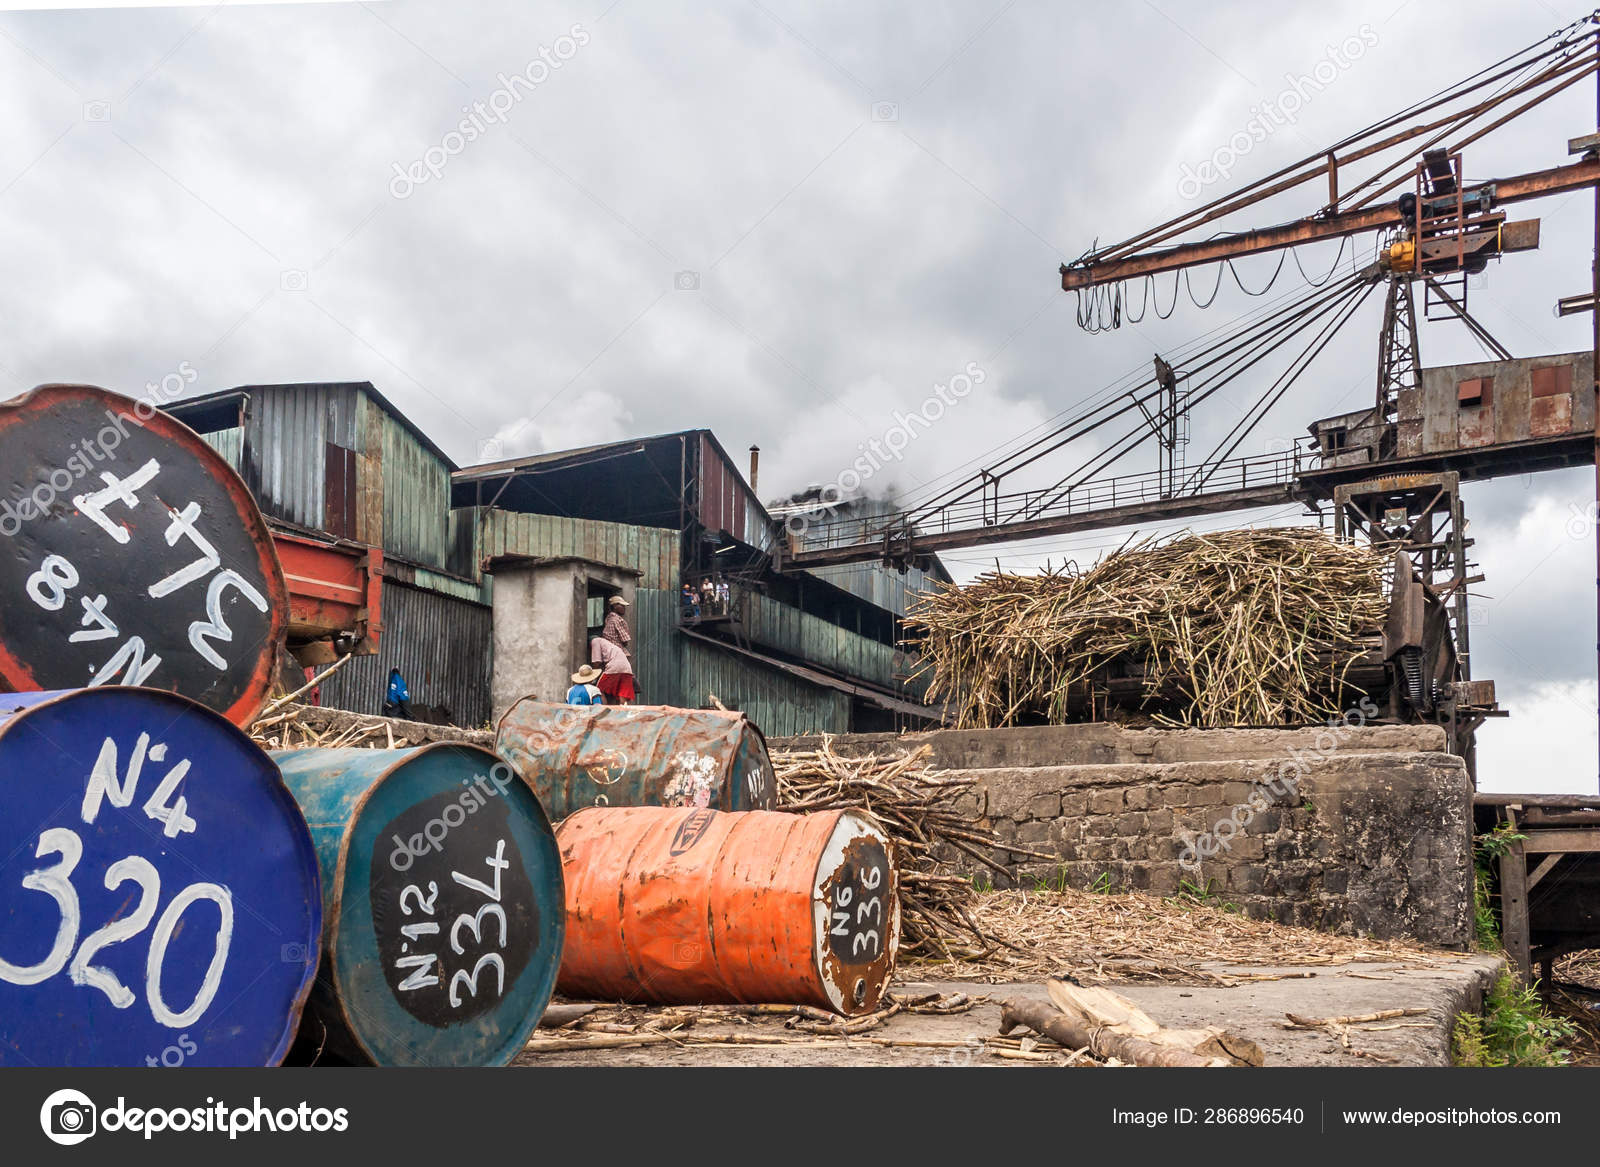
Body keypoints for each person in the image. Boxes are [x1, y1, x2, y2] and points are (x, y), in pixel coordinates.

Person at [589, 635, 636, 705]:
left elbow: (597, 662)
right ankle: (624, 713)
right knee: (623, 694)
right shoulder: (610, 645)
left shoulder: (595, 641)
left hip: (614, 667)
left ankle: (604, 712)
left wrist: (592, 677)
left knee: (598, 690)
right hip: (627, 669)